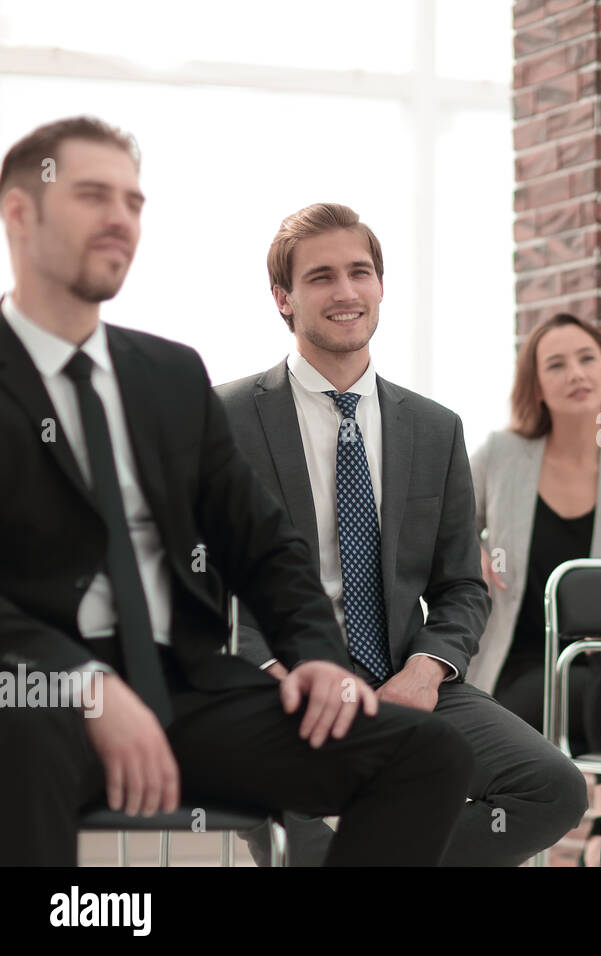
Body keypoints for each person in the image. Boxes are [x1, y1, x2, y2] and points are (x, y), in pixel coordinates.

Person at [0, 117, 472, 866]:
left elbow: (261, 542)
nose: (120, 217)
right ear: (20, 213)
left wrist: (315, 652)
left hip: (185, 688)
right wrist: (85, 683)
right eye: (93, 195)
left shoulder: (167, 376)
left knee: (426, 754)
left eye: (133, 200)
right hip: (28, 692)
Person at [215, 203, 587, 867]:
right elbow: (199, 583)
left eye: (360, 272)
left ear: (380, 287)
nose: (346, 291)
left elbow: (461, 587)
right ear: (283, 298)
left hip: (402, 681)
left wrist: (424, 671)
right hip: (277, 685)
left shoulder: (434, 428)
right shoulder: (224, 418)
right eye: (322, 277)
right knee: (306, 833)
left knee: (552, 789)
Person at [469, 312, 601, 865]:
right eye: (555, 364)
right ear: (536, 385)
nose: (575, 373)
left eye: (586, 359)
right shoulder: (500, 454)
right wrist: (473, 546)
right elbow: (441, 525)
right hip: (521, 662)